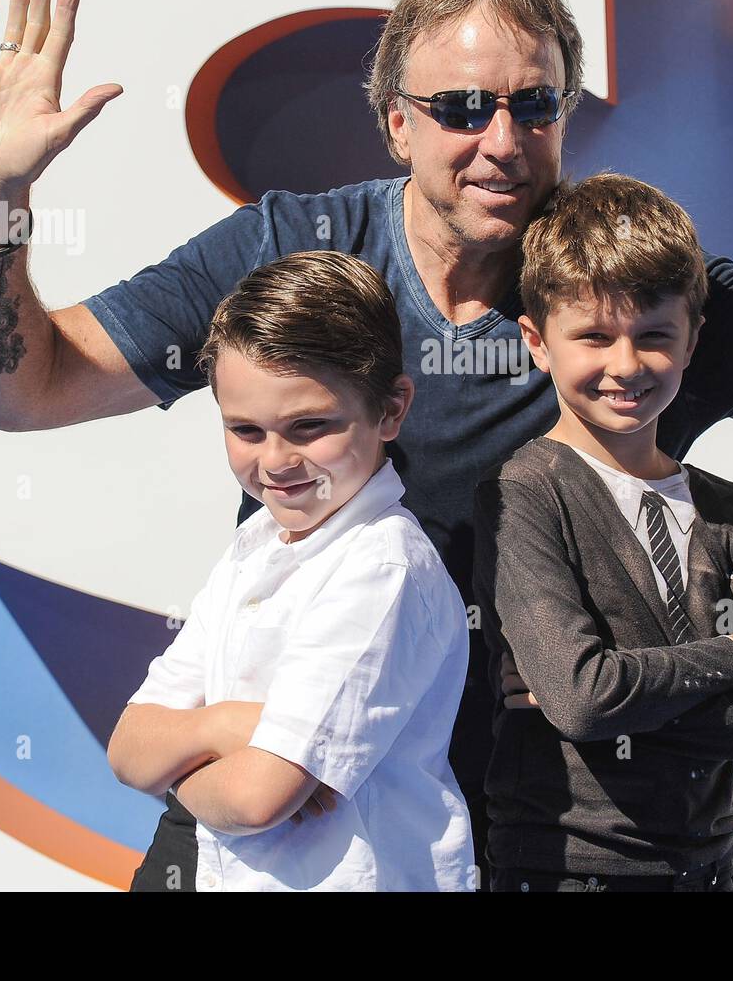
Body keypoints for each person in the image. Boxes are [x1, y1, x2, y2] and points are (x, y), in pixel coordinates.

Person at [0, 0, 733, 890]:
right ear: (395, 122)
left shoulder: (616, 290)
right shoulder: (288, 256)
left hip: (552, 845)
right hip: (299, 833)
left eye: (535, 104)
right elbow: (18, 391)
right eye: (463, 109)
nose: (503, 138)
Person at [474, 173, 733, 893]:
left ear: (693, 339)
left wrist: (612, 688)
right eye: (593, 336)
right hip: (564, 871)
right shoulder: (525, 493)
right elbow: (582, 701)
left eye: (654, 335)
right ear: (538, 341)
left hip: (712, 868)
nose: (625, 366)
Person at [106, 251, 474, 890]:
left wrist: (184, 764)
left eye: (309, 426)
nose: (275, 461)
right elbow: (129, 748)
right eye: (245, 430)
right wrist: (226, 727)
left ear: (391, 410)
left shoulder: (381, 566)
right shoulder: (256, 544)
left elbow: (255, 799)